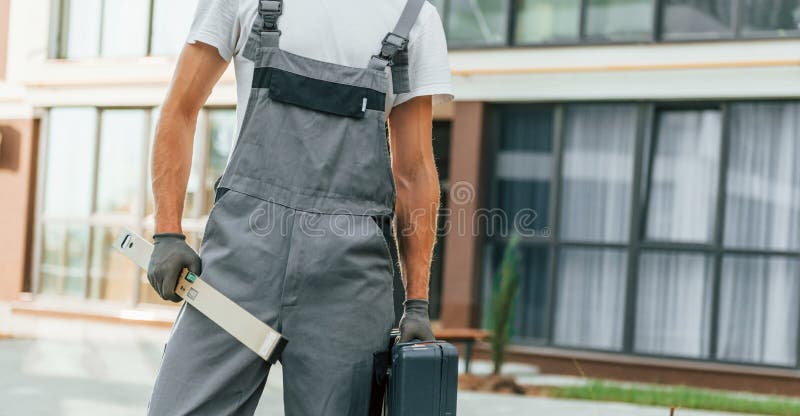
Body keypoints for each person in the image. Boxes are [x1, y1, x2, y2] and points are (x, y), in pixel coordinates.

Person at [145, 0, 452, 414]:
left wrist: (416, 302)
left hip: (346, 291)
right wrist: (167, 231)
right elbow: (181, 108)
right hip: (239, 272)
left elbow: (414, 172)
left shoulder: (414, 18)